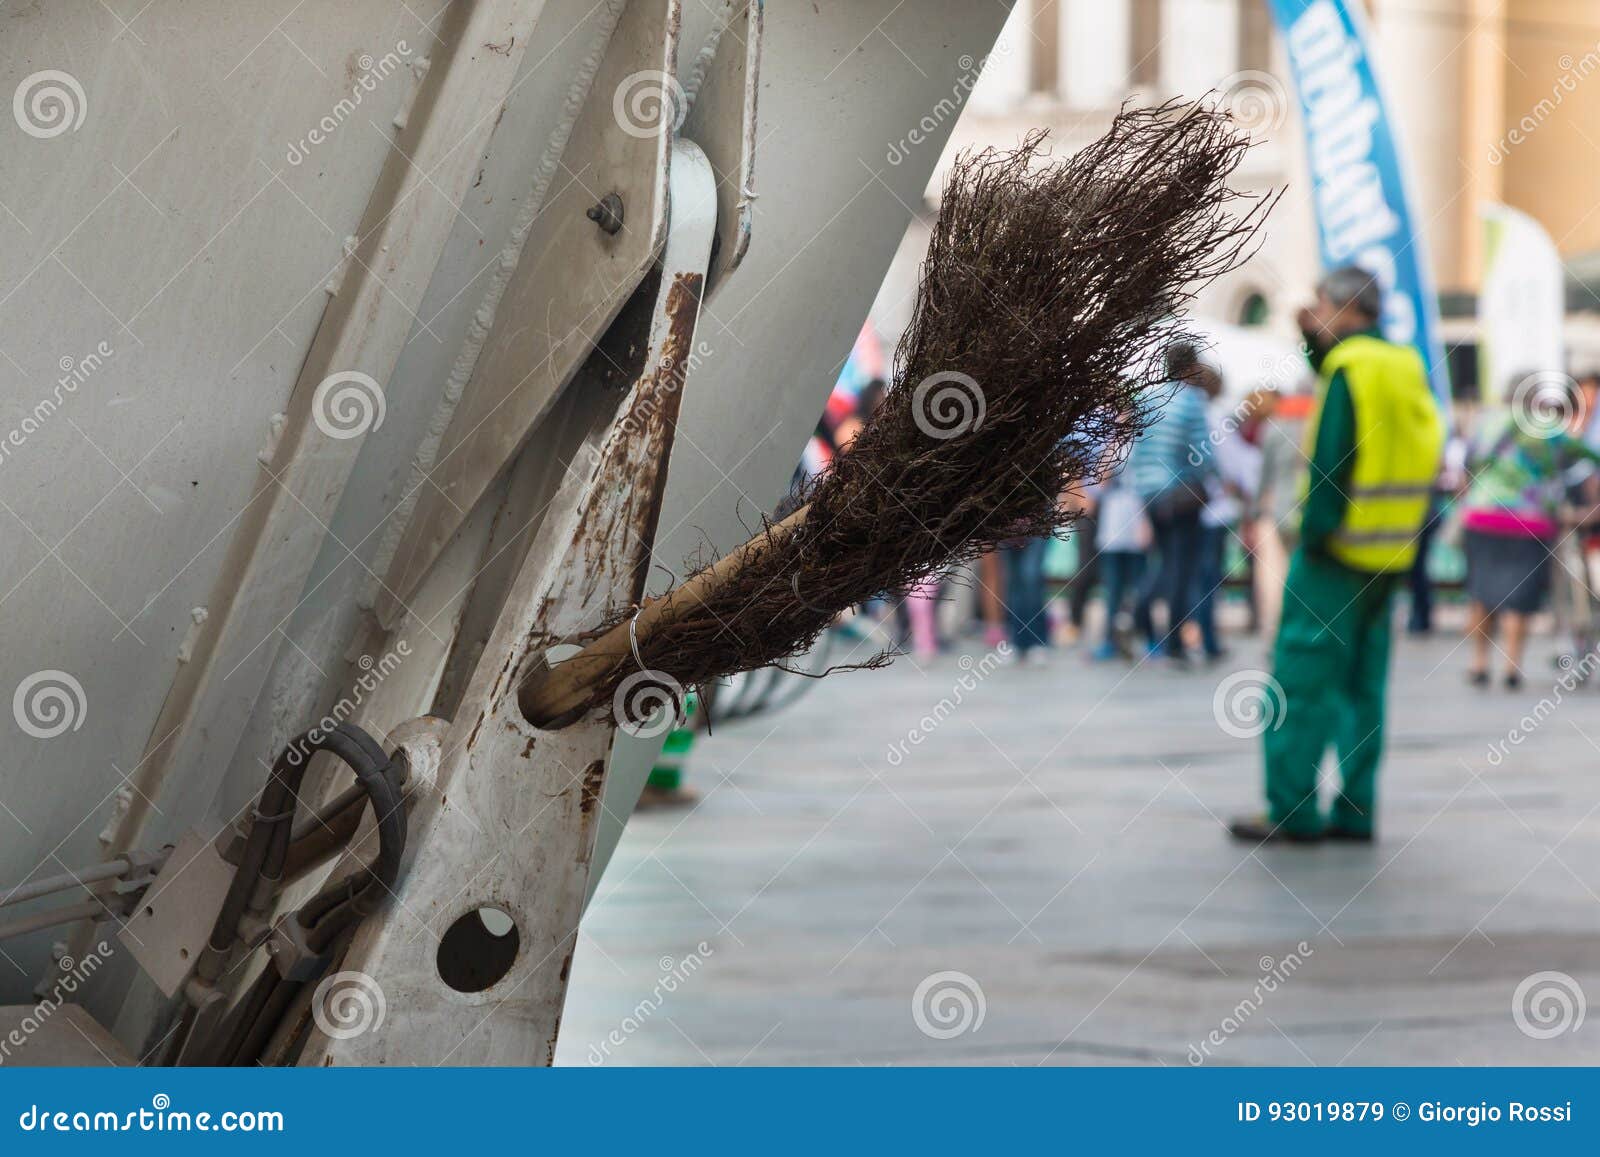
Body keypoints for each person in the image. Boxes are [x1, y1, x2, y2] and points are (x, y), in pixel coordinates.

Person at [1229, 266, 1445, 844]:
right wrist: (1310, 337)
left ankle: (1292, 811)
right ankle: (1356, 810)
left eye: (1321, 305)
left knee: (1300, 681)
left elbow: (1331, 462)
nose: (1317, 316)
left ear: (1344, 307)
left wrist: (1315, 538)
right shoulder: (1403, 364)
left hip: (1335, 553)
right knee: (1362, 685)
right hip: (1391, 552)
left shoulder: (1352, 370)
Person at [1460, 376, 1600, 689]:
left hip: (1483, 514)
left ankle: (1479, 663)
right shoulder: (1548, 429)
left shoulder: (1488, 422)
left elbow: (1467, 464)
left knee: (1481, 591)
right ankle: (1512, 666)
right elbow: (1590, 456)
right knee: (1519, 595)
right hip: (1529, 520)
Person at [1129, 343, 1214, 666]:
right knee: (1180, 568)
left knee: (1163, 562)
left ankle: (1136, 614)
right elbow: (1204, 453)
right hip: (1179, 493)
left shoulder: (1148, 399)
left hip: (1149, 492)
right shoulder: (1191, 400)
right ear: (1190, 367)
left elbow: (1137, 449)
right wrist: (1204, 476)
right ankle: (1174, 641)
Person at [1088, 460, 1150, 660]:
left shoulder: (1144, 443)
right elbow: (1098, 486)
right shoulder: (1110, 445)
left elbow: (1149, 484)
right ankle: (1110, 641)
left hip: (1136, 528)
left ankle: (1146, 638)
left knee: (1139, 591)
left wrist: (1146, 523)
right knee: (1112, 591)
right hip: (1112, 532)